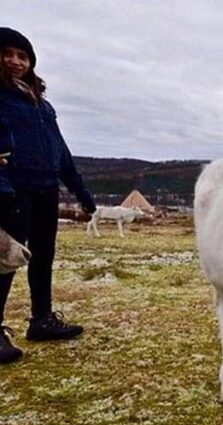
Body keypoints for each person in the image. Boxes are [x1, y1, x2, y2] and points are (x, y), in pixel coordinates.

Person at [0, 27, 97, 364]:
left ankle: (41, 319)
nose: (15, 61)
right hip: (12, 189)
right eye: (7, 54)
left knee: (43, 255)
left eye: (22, 56)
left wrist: (81, 190)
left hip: (45, 188)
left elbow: (60, 151)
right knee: (6, 260)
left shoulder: (41, 103)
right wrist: (4, 189)